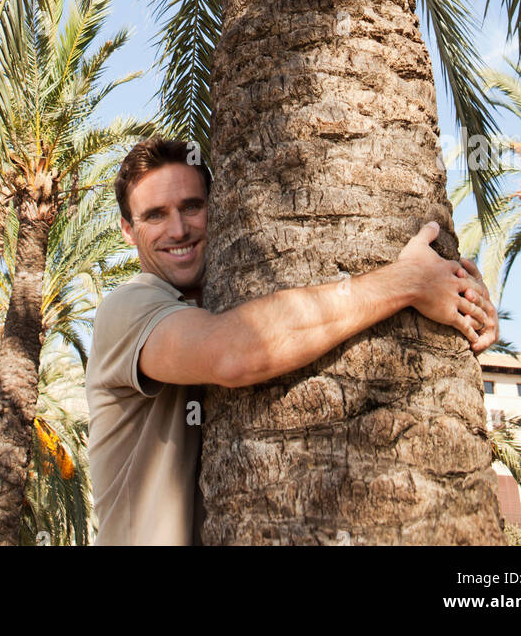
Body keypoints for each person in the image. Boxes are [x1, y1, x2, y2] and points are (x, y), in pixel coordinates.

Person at [85, 137, 499, 546]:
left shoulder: (227, 297)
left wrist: (465, 306)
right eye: (155, 215)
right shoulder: (126, 308)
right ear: (128, 230)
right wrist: (406, 283)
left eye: (192, 206)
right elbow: (236, 352)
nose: (178, 229)